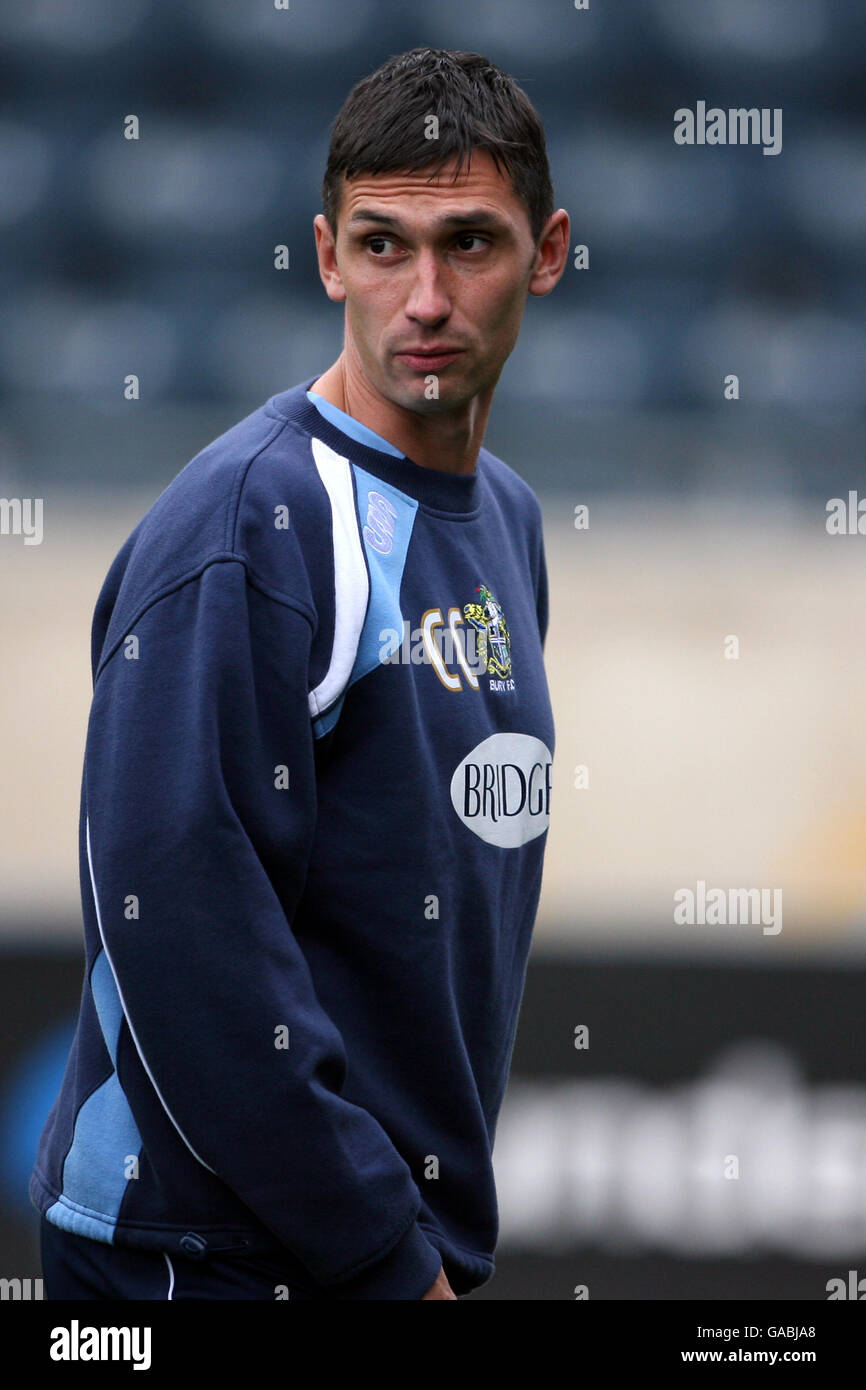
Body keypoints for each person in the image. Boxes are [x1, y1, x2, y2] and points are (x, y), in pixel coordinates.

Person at [31, 46, 569, 1300]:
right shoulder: (247, 527)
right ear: (326, 256)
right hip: (196, 1262)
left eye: (469, 245)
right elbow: (185, 942)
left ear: (546, 253)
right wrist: (384, 1255)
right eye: (383, 245)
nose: (423, 297)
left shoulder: (509, 518)